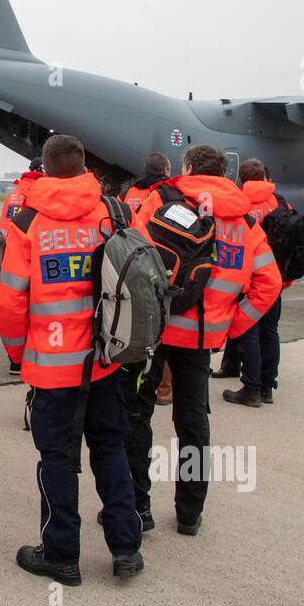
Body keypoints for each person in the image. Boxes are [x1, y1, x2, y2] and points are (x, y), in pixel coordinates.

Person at [0, 134, 143, 583]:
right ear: (84, 167)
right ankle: (125, 549)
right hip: (106, 358)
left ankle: (61, 555)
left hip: (51, 364)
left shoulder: (27, 220)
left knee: (57, 458)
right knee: (111, 448)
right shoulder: (115, 211)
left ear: (43, 167)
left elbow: (9, 302)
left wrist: (20, 354)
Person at [124, 144, 281, 536]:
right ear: (224, 172)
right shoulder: (244, 219)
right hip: (201, 340)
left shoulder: (161, 198)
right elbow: (269, 283)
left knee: (137, 415)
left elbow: (132, 253)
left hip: (154, 329)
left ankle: (136, 507)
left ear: (188, 167)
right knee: (193, 424)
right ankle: (189, 514)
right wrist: (231, 327)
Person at [223, 159, 285, 407]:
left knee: (248, 331)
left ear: (243, 179)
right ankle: (268, 387)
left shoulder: (239, 202)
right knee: (270, 332)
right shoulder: (279, 201)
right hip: (275, 278)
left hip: (248, 279)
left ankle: (251, 387)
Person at [122, 152, 175, 405]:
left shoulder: (130, 192)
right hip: (156, 262)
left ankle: (135, 379)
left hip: (128, 261)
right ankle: (164, 388)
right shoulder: (164, 193)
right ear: (166, 169)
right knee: (160, 327)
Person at [0, 159, 44, 377]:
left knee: (11, 301)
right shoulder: (35, 192)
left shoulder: (16, 190)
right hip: (23, 250)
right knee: (25, 303)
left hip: (5, 248)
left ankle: (13, 357)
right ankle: (19, 359)